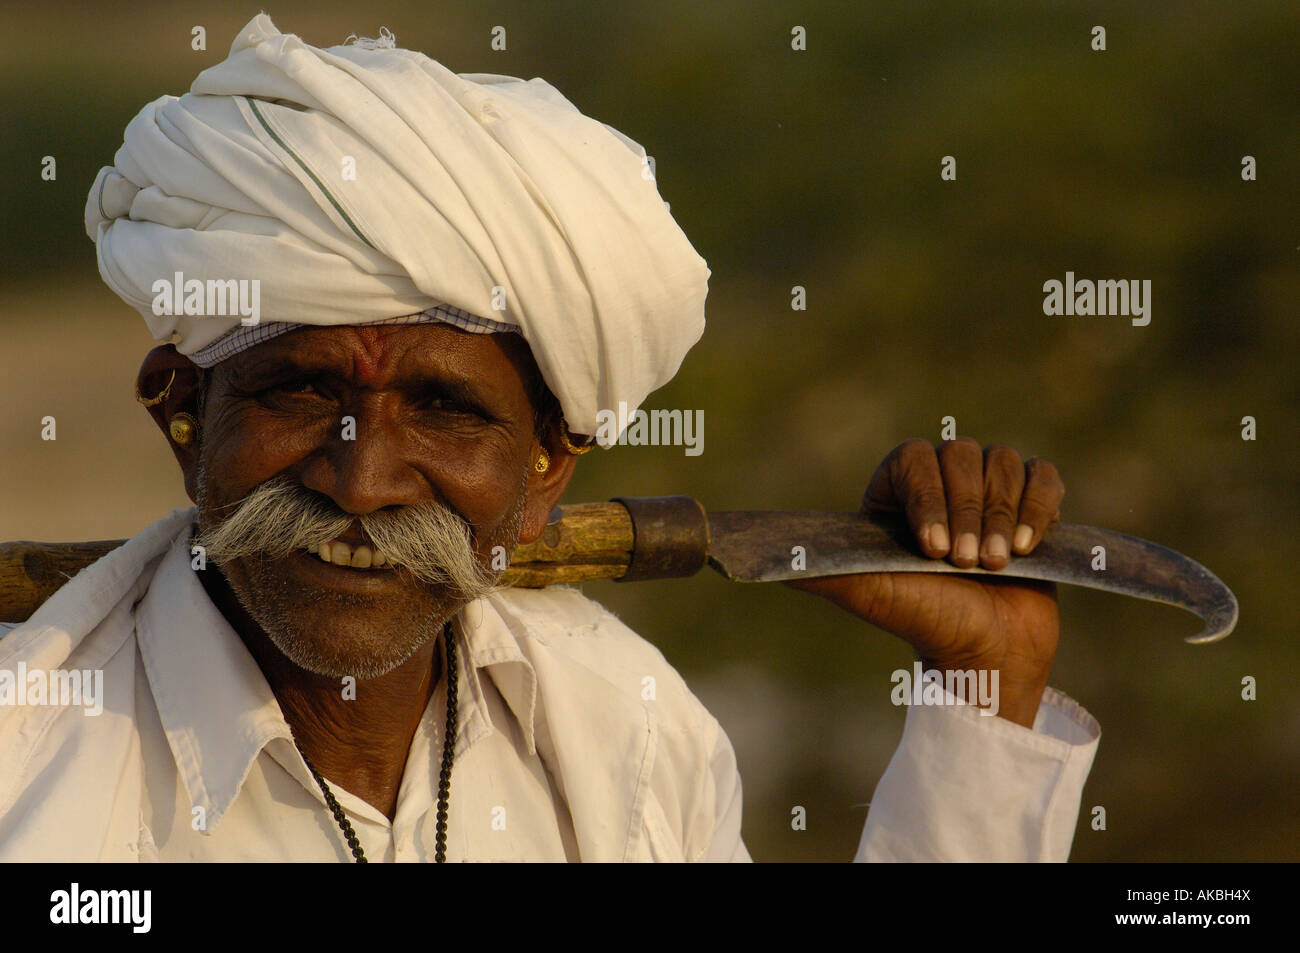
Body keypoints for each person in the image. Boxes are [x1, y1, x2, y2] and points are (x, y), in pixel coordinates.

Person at [0, 15, 1098, 862]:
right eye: (298, 390)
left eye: (444, 409)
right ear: (183, 417)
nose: (364, 478)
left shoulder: (626, 726)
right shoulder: (29, 771)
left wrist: (978, 686)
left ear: (543, 471)